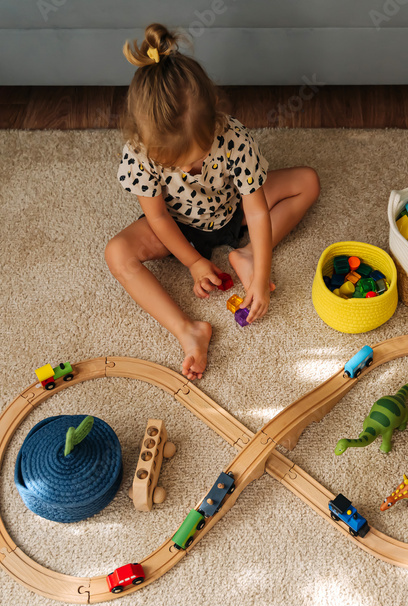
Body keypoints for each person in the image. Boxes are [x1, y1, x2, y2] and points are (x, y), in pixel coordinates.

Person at [105, 23, 320, 380]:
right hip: (179, 228)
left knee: (307, 181)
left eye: (198, 157)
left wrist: (261, 269)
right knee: (117, 253)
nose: (190, 169)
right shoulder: (140, 154)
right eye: (178, 165)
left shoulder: (233, 135)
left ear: (215, 119)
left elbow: (254, 206)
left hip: (234, 208)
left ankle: (246, 255)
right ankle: (187, 330)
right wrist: (192, 262)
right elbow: (157, 218)